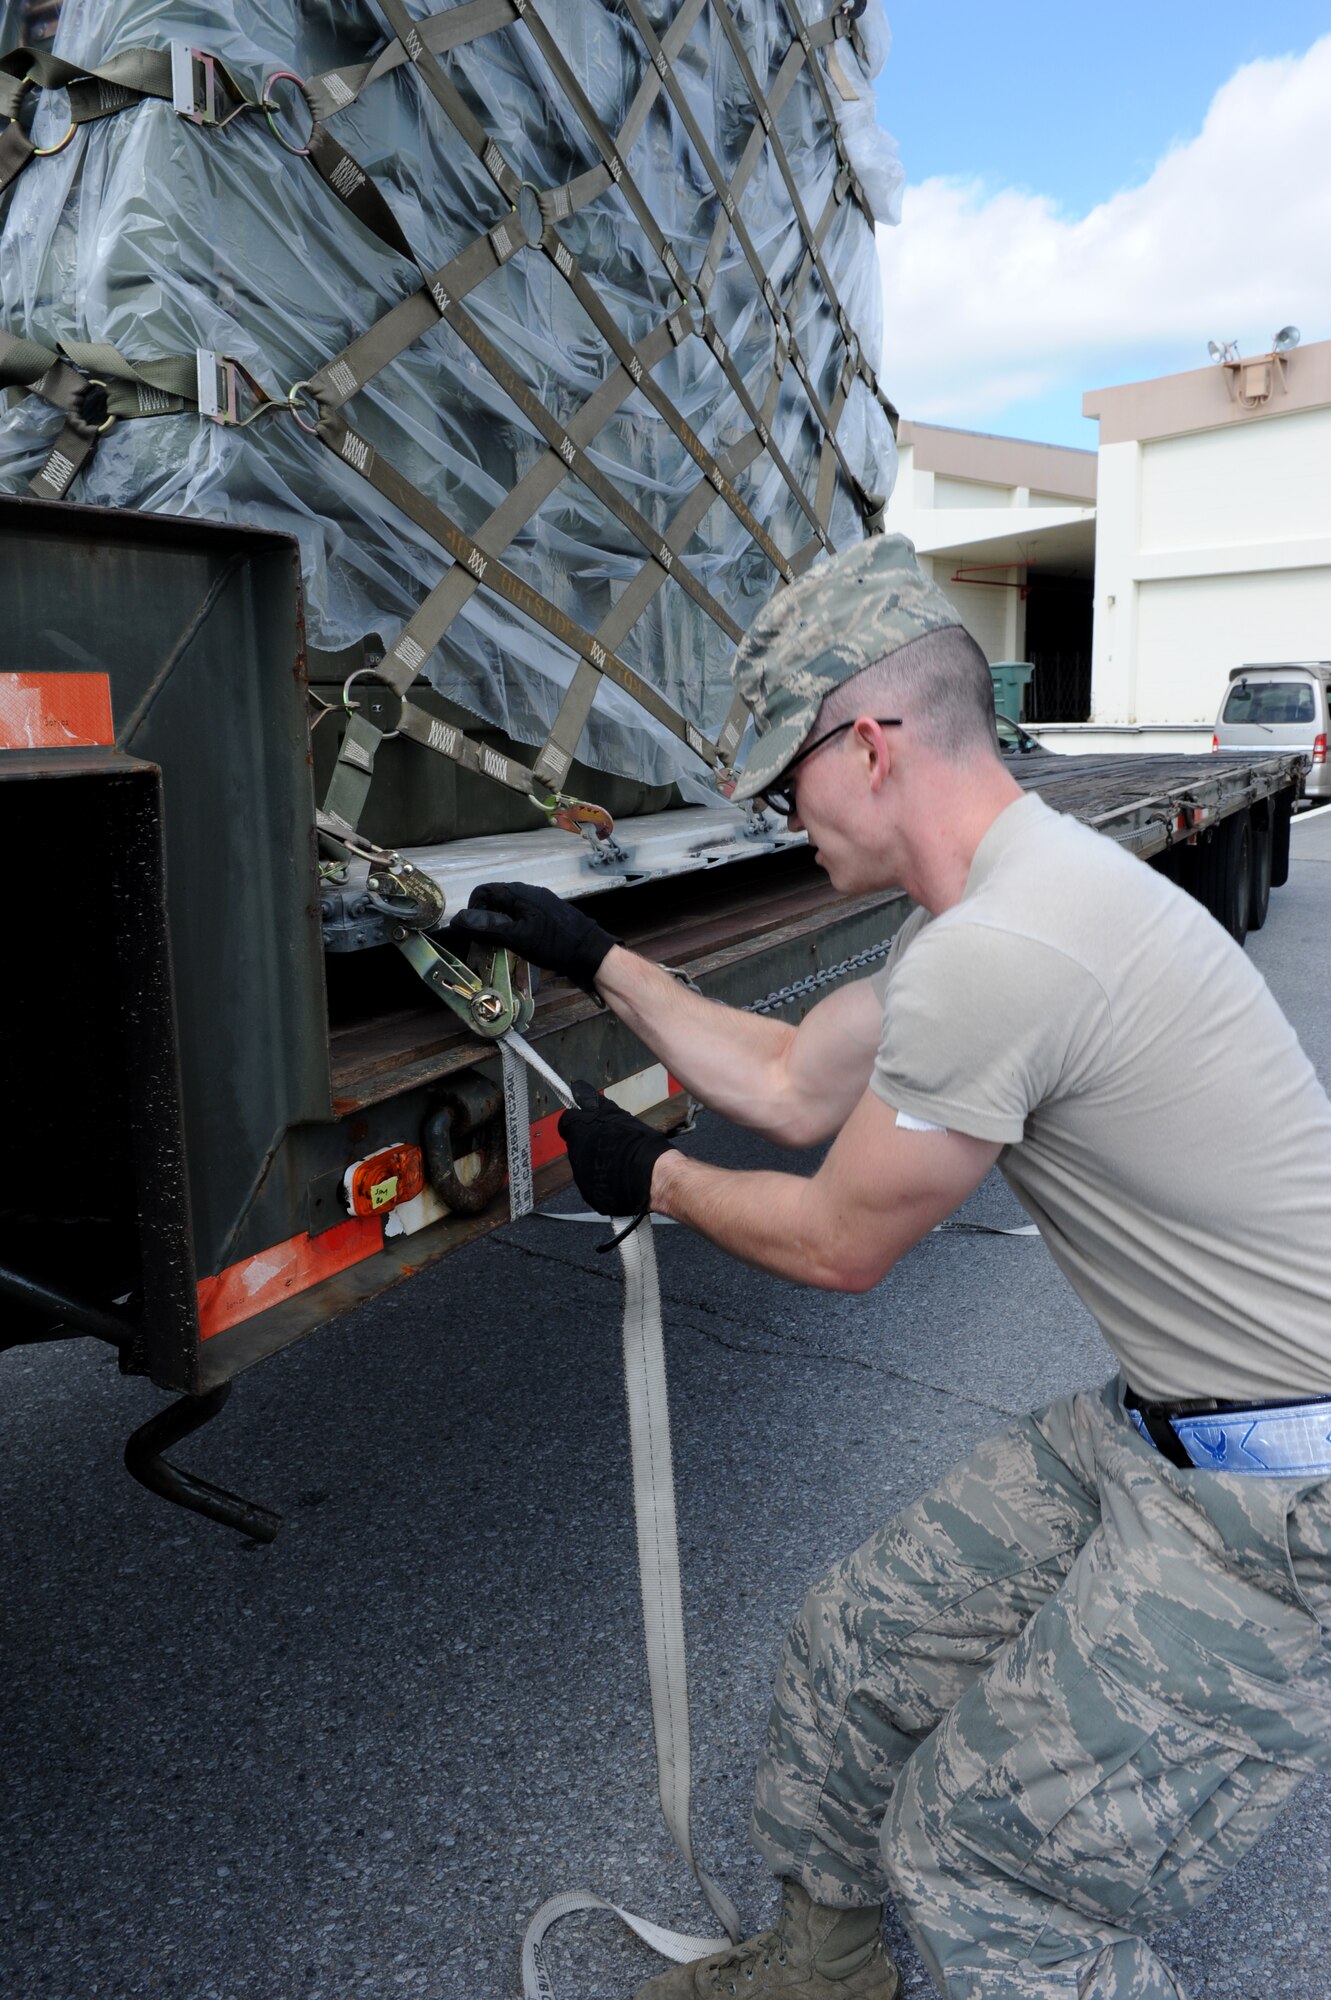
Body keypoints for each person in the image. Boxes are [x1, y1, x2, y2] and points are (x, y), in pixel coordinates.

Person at [450, 536, 1331, 2000]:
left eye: (785, 781)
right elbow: (798, 1080)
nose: (783, 820)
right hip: (1168, 1431)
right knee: (856, 1643)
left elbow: (843, 1241)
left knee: (985, 1861)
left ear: (868, 745)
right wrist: (599, 959)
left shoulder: (1014, 943)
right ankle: (823, 1970)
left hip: (1281, 1498)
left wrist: (651, 1176)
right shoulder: (997, 905)